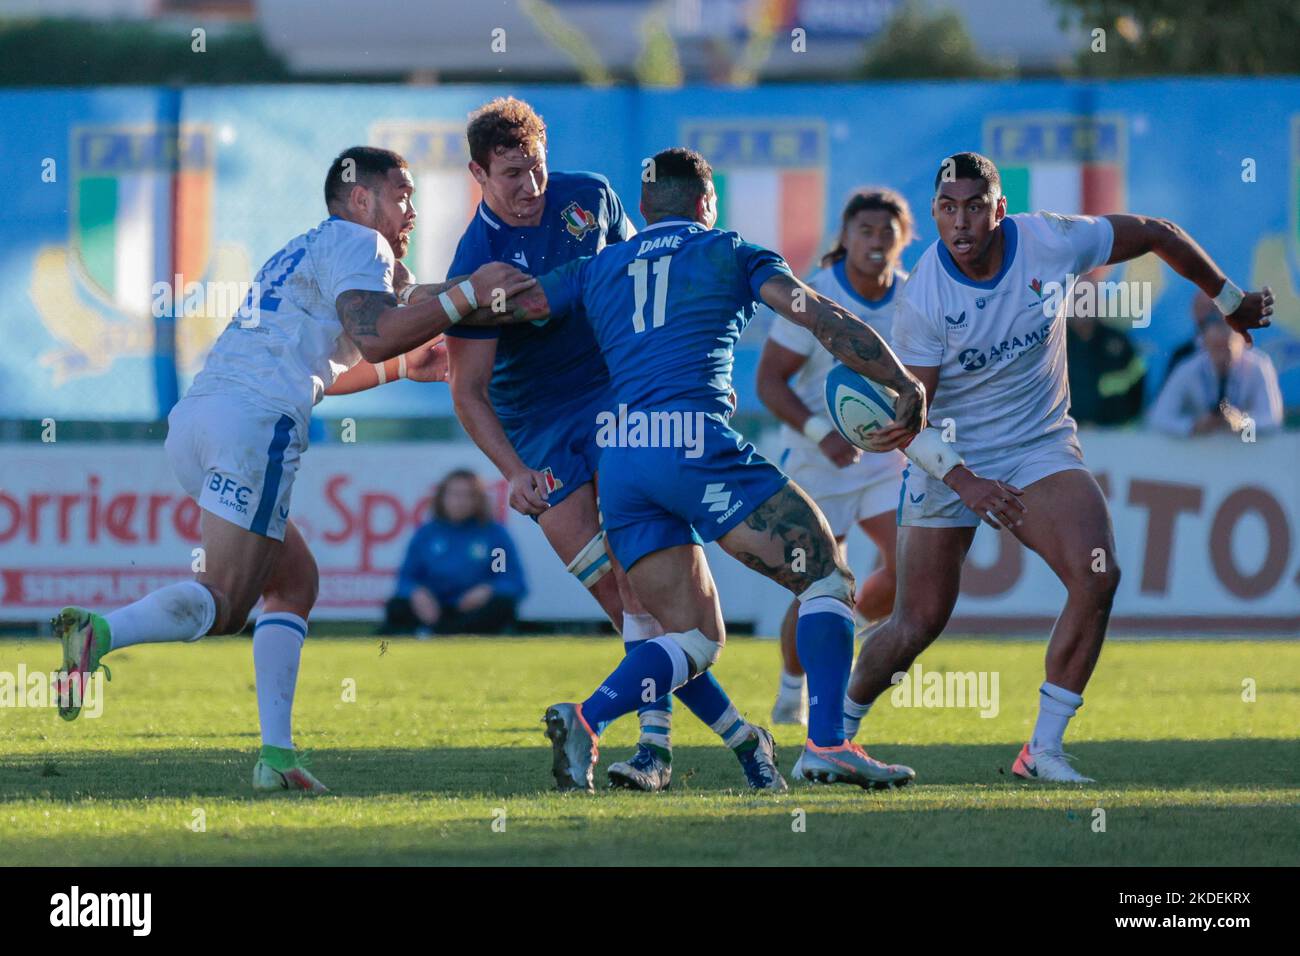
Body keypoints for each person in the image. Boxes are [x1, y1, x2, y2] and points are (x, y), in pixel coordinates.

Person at [51, 146, 535, 794]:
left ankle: (275, 757)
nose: (412, 210)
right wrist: (473, 293)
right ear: (361, 200)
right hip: (256, 427)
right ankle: (98, 632)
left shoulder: (307, 251)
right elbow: (380, 331)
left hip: (198, 422)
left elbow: (352, 355)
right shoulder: (364, 246)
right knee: (224, 606)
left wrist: (406, 358)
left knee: (295, 580)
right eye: (402, 194)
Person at [508, 147, 931, 793]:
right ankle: (826, 743)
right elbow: (819, 315)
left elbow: (516, 304)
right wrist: (898, 382)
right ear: (707, 203)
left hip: (620, 459)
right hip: (694, 444)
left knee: (693, 640)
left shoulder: (598, 265)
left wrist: (433, 315)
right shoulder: (731, 250)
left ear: (644, 209)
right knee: (826, 580)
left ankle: (587, 719)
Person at [842, 152, 1274, 783]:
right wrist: (967, 482)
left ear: (999, 210)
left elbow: (1159, 234)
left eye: (973, 207)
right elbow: (913, 420)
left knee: (1098, 575)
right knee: (916, 622)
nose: (960, 223)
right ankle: (835, 735)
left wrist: (1228, 299)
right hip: (951, 455)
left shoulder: (1052, 239)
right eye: (946, 208)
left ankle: (1041, 751)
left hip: (1038, 446)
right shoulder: (925, 298)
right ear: (934, 213)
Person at [444, 98, 775, 792]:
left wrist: (682, 378)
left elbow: (645, 281)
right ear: (477, 173)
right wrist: (514, 471)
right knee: (624, 601)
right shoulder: (475, 260)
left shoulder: (590, 195)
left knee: (667, 602)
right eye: (511, 176)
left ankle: (657, 756)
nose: (530, 187)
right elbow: (468, 390)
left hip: (620, 399)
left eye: (535, 168)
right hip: (538, 430)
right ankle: (741, 742)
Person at [756, 187, 912, 726]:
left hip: (885, 462)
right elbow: (768, 382)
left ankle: (843, 637)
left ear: (903, 239)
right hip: (817, 461)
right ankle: (790, 687)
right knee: (820, 583)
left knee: (910, 567)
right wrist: (823, 432)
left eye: (886, 232)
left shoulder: (913, 299)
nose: (875, 240)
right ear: (843, 238)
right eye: (864, 230)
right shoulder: (815, 295)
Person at [384, 469, 526, 635]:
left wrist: (489, 590)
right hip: (434, 609)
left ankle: (441, 635)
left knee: (502, 605)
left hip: (473, 611)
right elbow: (406, 578)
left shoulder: (493, 535)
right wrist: (416, 593)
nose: (461, 501)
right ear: (442, 497)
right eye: (455, 494)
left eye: (468, 495)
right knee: (397, 606)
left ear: (479, 500)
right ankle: (437, 632)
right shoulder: (427, 534)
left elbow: (512, 580)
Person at [1148, 311, 1283, 436]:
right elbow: (1158, 418)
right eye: (1216, 346)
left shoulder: (1259, 367)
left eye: (1227, 346)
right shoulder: (1188, 369)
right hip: (1201, 450)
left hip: (1245, 450)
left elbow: (1273, 419)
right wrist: (1193, 426)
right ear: (1203, 343)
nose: (1222, 354)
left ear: (1244, 342)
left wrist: (1242, 423)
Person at [1065, 309, 1146, 426]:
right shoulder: (1052, 345)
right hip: (1064, 434)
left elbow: (1138, 386)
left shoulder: (1119, 343)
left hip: (1113, 434)